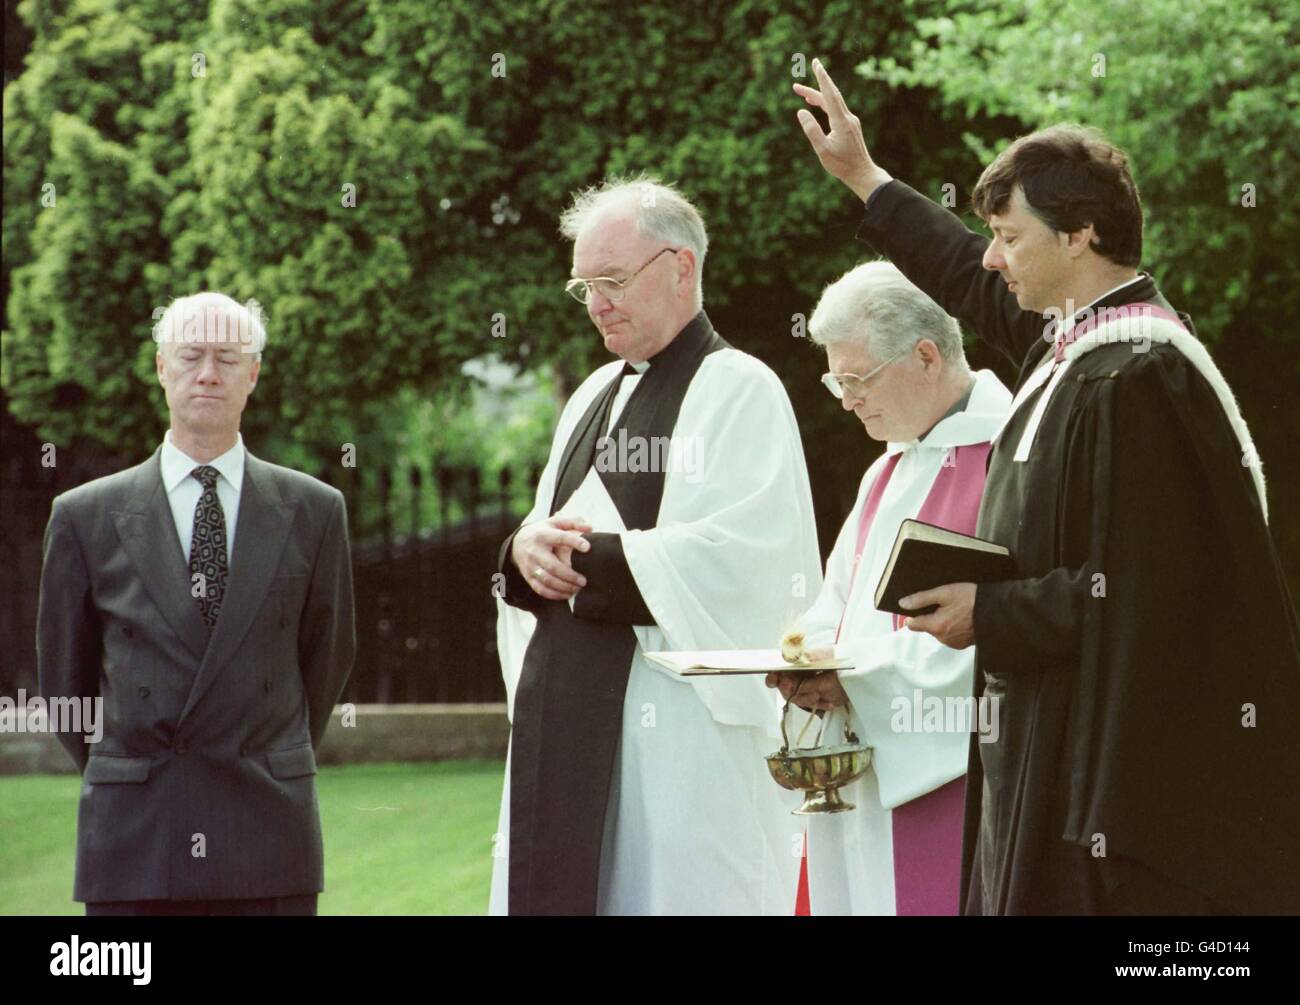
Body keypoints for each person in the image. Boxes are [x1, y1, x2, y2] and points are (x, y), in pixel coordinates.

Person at [793, 58, 1300, 914]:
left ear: (1081, 235)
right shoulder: (1074, 347)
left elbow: (1151, 593)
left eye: (1012, 237)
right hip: (1049, 743)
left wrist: (985, 613)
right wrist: (866, 179)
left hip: (1115, 790)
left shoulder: (1138, 379)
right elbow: (958, 270)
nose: (992, 260)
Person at [491, 175, 822, 915]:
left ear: (681, 267)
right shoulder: (590, 395)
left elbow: (751, 559)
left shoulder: (741, 387)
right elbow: (551, 524)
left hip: (677, 737)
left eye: (611, 280)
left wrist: (594, 560)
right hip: (566, 712)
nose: (596, 303)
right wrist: (522, 552)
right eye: (584, 288)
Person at [36, 292, 356, 916]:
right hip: (136, 838)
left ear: (254, 373)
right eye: (191, 356)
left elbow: (329, 659)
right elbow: (64, 685)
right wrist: (129, 765)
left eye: (228, 358)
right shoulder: (84, 516)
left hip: (268, 833)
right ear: (162, 368)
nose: (208, 373)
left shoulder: (315, 511)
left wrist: (265, 750)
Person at [766, 261, 1011, 915]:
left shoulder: (1010, 457)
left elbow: (991, 632)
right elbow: (838, 601)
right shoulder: (887, 469)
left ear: (926, 355)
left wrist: (854, 680)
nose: (846, 399)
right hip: (863, 769)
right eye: (835, 380)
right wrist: (808, 658)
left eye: (857, 378)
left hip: (946, 772)